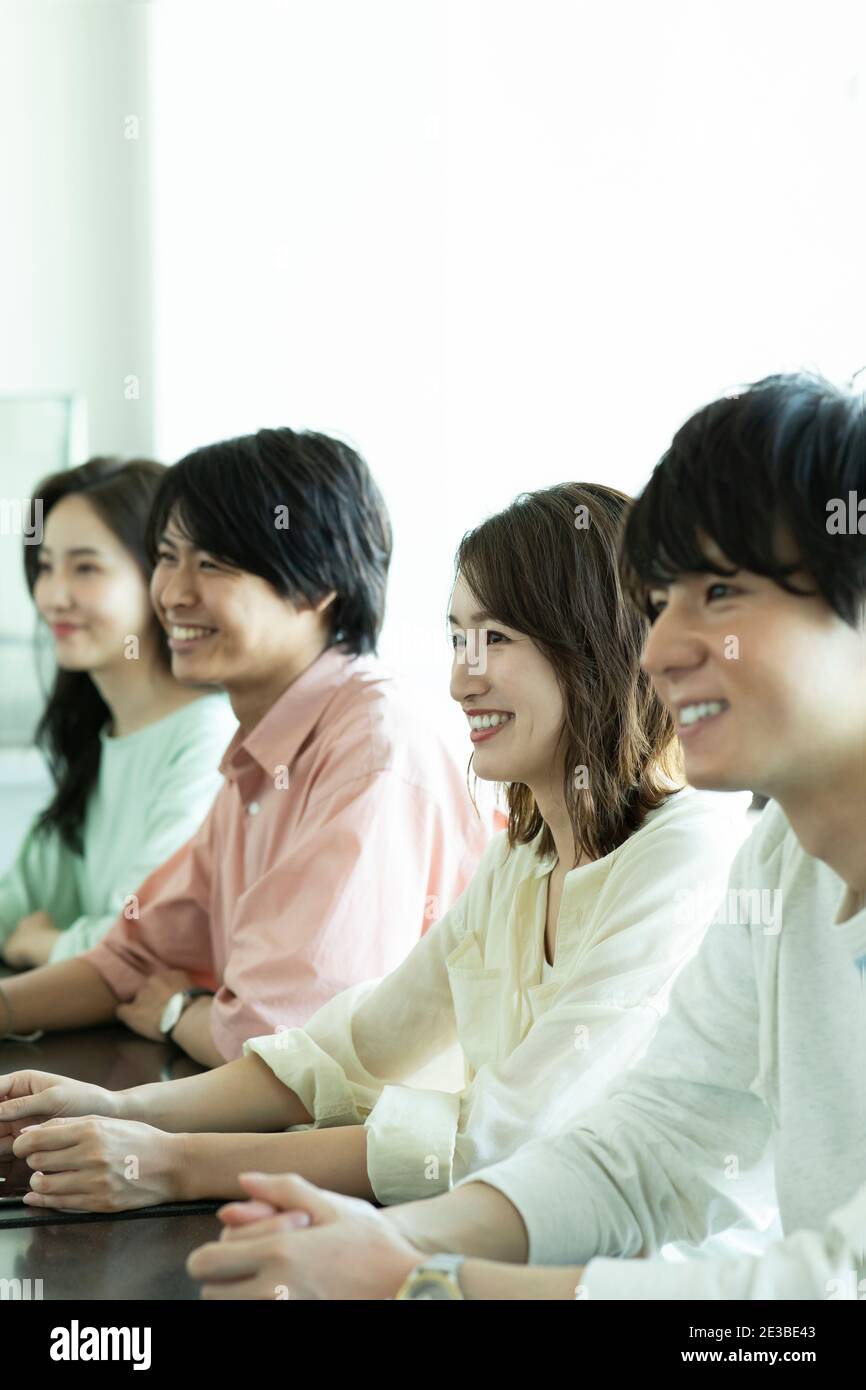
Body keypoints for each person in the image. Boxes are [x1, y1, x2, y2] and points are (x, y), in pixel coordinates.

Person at [176, 371, 864, 1302]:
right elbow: (650, 1147)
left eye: (724, 593)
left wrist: (431, 1282)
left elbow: (823, 1294)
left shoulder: (700, 849)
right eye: (658, 603)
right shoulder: (780, 860)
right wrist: (396, 1248)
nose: (659, 650)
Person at [0, 483, 751, 1221]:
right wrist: (121, 1109)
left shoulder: (685, 852)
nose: (462, 678)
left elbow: (496, 1141)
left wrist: (171, 1165)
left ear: (598, 645)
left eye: (497, 639)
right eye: (458, 639)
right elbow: (349, 1050)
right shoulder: (522, 863)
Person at [0, 428, 490, 1066]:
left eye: (211, 564)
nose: (172, 593)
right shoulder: (261, 749)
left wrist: (179, 1012)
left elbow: (286, 1043)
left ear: (318, 586)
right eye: (168, 558)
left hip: (366, 1152)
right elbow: (133, 955)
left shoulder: (372, 747)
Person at [0, 457, 236, 971]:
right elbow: (21, 896)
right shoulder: (101, 734)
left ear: (160, 580)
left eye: (85, 568)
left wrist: (43, 946)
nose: (53, 596)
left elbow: (150, 935)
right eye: (45, 567)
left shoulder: (207, 735)